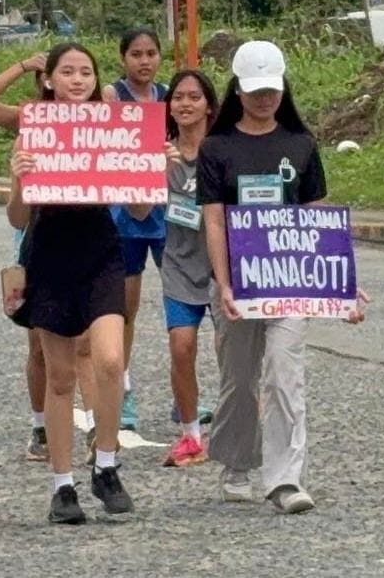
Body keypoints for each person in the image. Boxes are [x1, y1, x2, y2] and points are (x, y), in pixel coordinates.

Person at [199, 41, 368, 515]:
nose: (264, 99)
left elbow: (318, 218)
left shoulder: (301, 145)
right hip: (238, 284)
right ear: (237, 89)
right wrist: (224, 282)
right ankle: (236, 462)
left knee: (284, 373)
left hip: (289, 281)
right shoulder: (217, 148)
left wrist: (343, 284)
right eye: (255, 91)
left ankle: (285, 478)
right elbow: (213, 220)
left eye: (271, 89)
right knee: (239, 377)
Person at [9, 43, 136, 525]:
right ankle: (62, 485)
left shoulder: (115, 132)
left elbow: (142, 210)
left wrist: (153, 171)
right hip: (50, 253)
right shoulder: (31, 134)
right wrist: (20, 180)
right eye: (68, 71)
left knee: (109, 357)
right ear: (50, 80)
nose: (78, 80)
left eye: (86, 72)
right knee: (60, 376)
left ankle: (106, 463)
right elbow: (19, 217)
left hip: (101, 250)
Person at [0, 50, 54, 464]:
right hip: (32, 236)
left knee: (89, 343)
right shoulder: (29, 119)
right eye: (52, 76)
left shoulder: (99, 118)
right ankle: (41, 424)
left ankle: (97, 424)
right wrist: (22, 66)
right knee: (38, 341)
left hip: (83, 237)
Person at [101, 28, 169, 431]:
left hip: (165, 212)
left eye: (151, 53)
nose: (144, 61)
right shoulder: (113, 96)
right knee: (126, 308)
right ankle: (121, 389)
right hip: (124, 215)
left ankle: (186, 398)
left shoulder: (169, 96)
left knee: (186, 303)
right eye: (136, 54)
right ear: (123, 58)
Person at [159, 69, 220, 469]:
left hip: (223, 267)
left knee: (234, 355)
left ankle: (238, 430)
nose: (184, 103)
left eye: (194, 97)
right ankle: (190, 435)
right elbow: (139, 209)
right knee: (182, 348)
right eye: (178, 97)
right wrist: (153, 173)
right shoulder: (157, 154)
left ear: (209, 106)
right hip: (179, 265)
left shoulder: (224, 152)